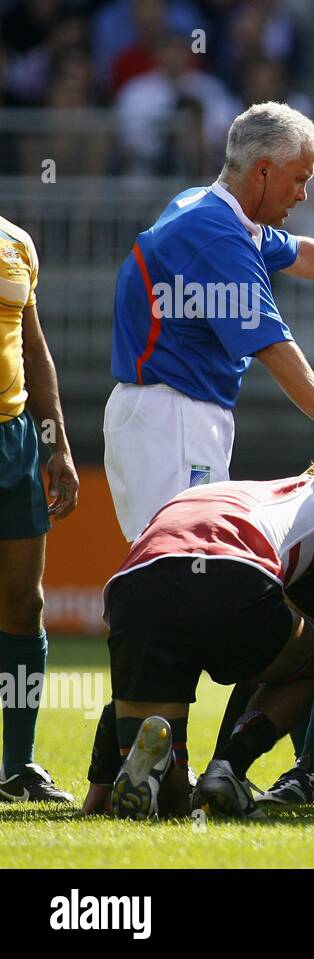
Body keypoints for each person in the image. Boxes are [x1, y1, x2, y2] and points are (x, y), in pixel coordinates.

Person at [105, 100, 314, 542]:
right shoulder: (216, 236)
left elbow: (299, 252)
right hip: (173, 416)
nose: (304, 193)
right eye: (300, 178)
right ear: (263, 170)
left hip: (169, 413)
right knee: (183, 567)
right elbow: (272, 345)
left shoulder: (207, 208)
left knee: (169, 566)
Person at [99, 433, 314, 819]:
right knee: (306, 663)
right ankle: (228, 766)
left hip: (134, 582)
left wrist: (95, 793)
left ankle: (154, 769)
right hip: (230, 570)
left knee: (172, 799)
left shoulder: (237, 489)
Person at [0, 215, 78, 803]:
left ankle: (16, 768)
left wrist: (55, 443)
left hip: (15, 440)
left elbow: (33, 348)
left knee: (24, 606)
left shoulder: (17, 240)